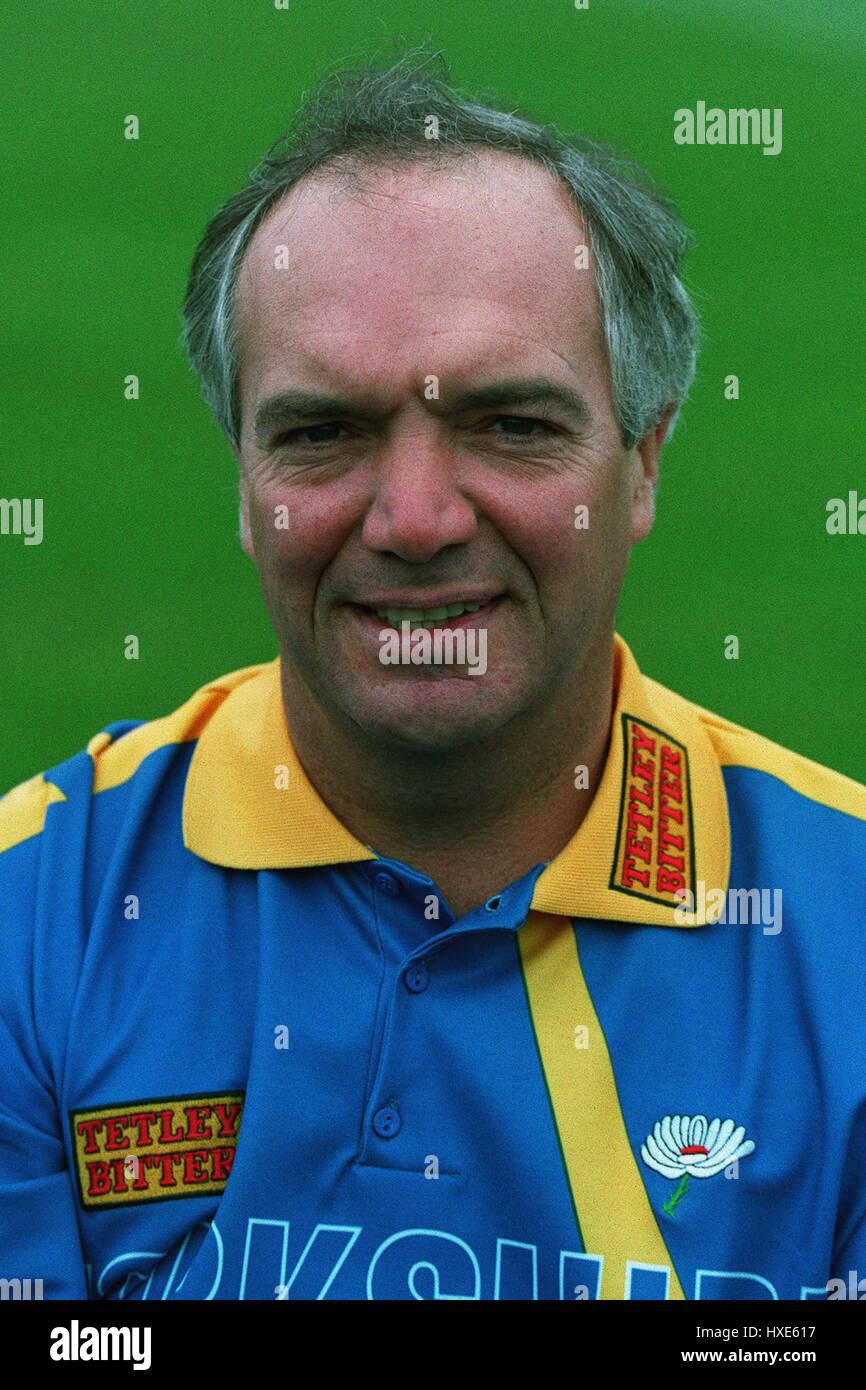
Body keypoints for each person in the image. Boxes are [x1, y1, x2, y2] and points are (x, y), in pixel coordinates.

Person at [1, 52, 864, 1303]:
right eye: (321, 434)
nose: (412, 518)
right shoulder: (33, 917)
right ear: (242, 481)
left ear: (645, 460)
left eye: (511, 424)